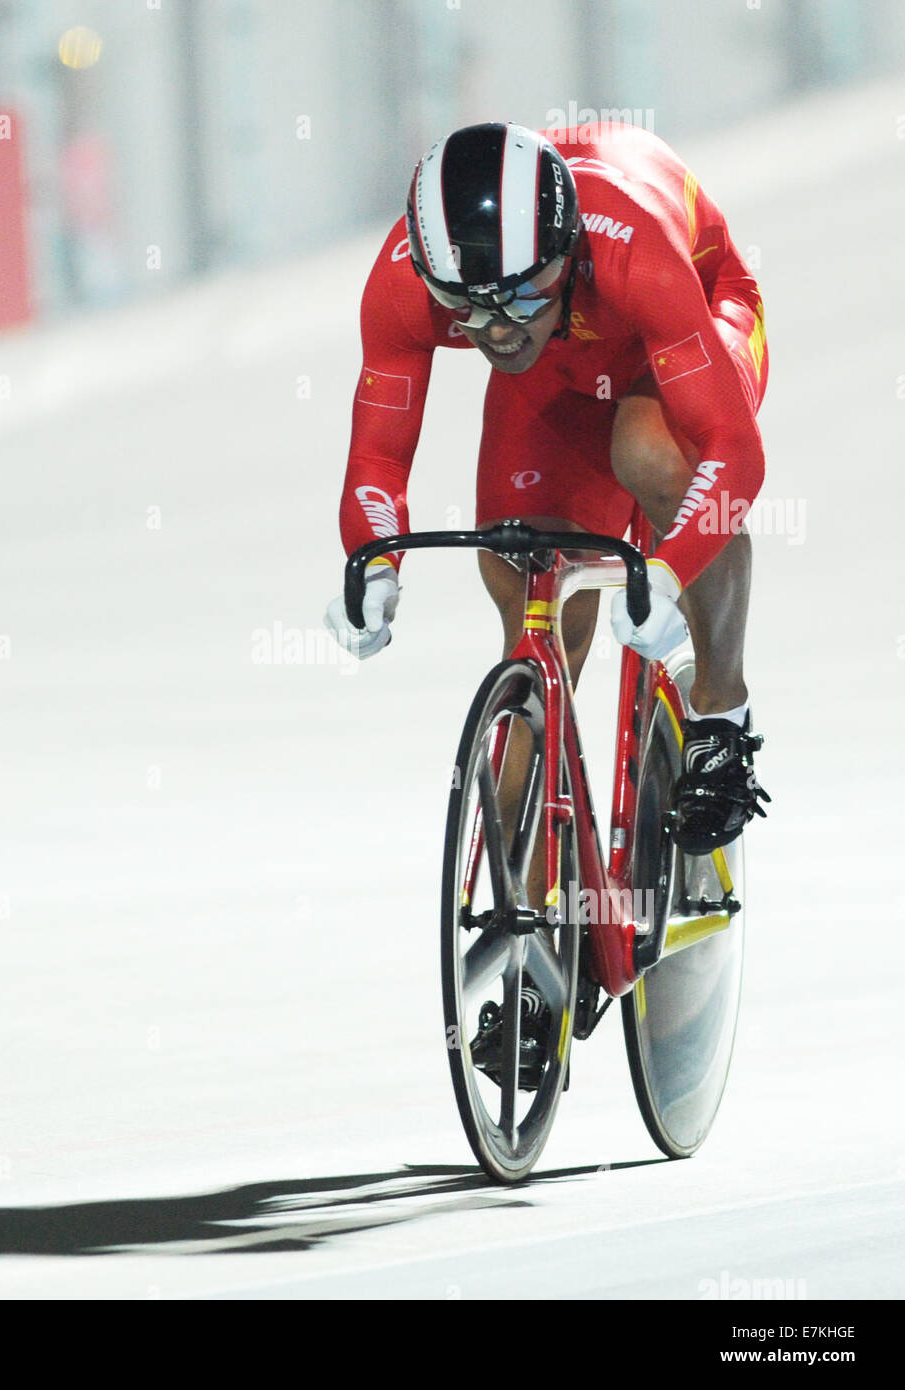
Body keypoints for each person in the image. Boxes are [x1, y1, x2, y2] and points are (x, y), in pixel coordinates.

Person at [326, 121, 770, 855]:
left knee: (648, 455)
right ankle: (524, 909)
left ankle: (721, 716)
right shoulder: (404, 281)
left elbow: (733, 451)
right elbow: (377, 454)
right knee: (528, 569)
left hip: (689, 309)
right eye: (468, 309)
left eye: (520, 298)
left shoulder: (635, 252)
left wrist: (666, 572)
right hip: (559, 357)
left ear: (564, 255)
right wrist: (372, 560)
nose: (497, 332)